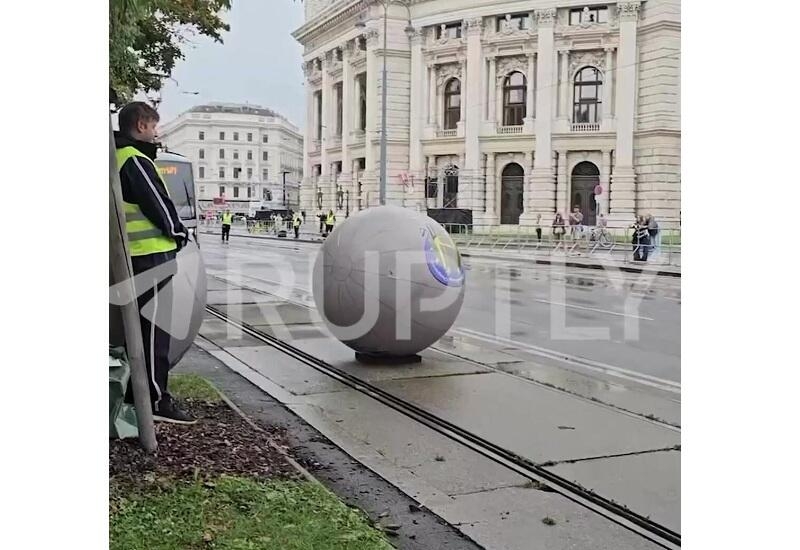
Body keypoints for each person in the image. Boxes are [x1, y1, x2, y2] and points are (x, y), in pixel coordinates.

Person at [114, 101, 195, 424]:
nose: (157, 132)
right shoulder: (134, 159)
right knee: (155, 331)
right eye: (154, 126)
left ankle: (142, 395)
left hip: (137, 257)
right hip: (149, 257)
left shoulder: (120, 156)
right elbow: (157, 205)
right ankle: (155, 399)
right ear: (142, 125)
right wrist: (178, 233)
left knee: (142, 330)